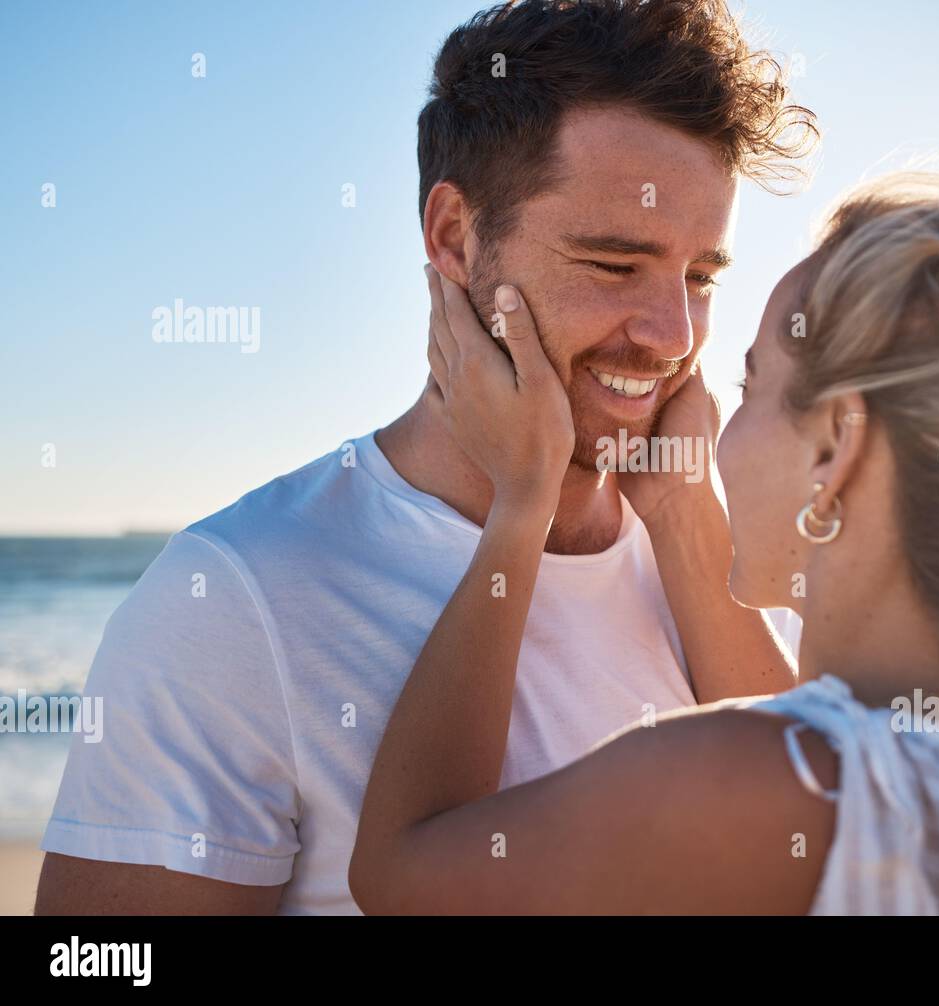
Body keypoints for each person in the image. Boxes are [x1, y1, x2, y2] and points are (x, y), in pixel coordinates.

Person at [35, 0, 815, 915]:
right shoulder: (235, 595)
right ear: (453, 237)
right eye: (613, 264)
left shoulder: (734, 580)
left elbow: (826, 858)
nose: (672, 334)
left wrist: (683, 518)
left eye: (700, 278)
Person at [350, 175, 939, 915]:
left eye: (751, 385)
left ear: (837, 444)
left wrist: (523, 501)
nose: (707, 413)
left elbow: (400, 872)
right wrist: (682, 515)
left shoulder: (760, 784)